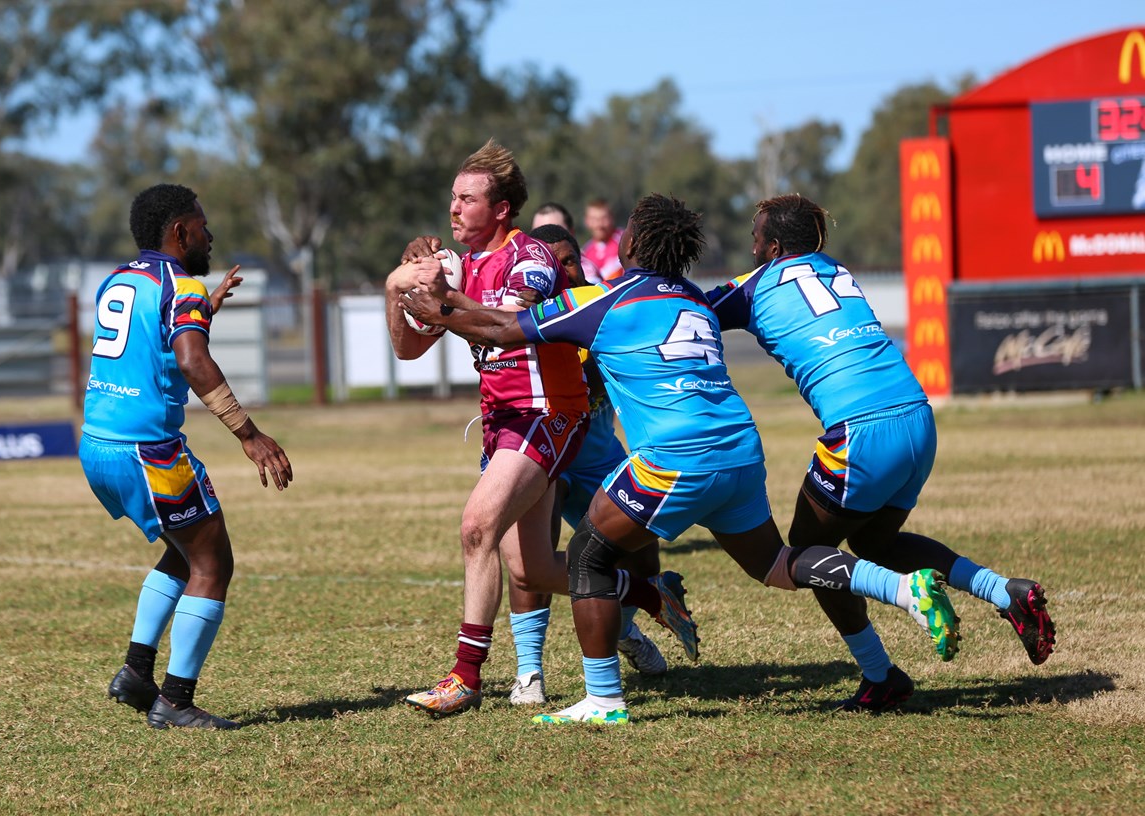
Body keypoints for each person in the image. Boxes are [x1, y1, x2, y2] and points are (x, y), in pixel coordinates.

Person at [402, 193, 960, 725]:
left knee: (589, 556)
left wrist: (439, 309)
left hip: (676, 457)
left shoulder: (606, 299)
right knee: (775, 564)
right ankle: (901, 588)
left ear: (634, 243)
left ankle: (602, 699)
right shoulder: (695, 297)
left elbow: (504, 329)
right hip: (740, 452)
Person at [706, 193, 1056, 710]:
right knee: (875, 542)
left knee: (807, 554)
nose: (752, 246)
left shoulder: (754, 285)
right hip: (917, 418)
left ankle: (880, 674)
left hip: (861, 433)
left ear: (774, 247)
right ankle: (1006, 592)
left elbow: (679, 311)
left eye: (757, 238)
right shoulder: (835, 269)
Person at [387, 142, 692, 716]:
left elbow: (513, 316)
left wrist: (444, 299)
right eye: (453, 197)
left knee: (476, 527)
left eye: (467, 199)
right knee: (531, 568)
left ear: (501, 209)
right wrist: (395, 287)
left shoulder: (530, 257)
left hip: (548, 413)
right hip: (502, 421)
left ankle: (465, 677)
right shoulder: (463, 265)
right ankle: (651, 594)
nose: (453, 209)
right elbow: (407, 350)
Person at [82, 183, 293, 730]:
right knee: (212, 563)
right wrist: (249, 434)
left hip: (98, 445)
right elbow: (193, 361)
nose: (209, 234)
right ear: (179, 231)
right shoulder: (182, 285)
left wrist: (207, 307)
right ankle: (175, 700)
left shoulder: (119, 279)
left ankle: (136, 673)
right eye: (201, 225)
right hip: (148, 452)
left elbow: (153, 341)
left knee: (184, 553)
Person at [506, 224, 667, 699]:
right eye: (551, 263)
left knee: (644, 553)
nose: (563, 271)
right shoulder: (522, 316)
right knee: (532, 554)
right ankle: (529, 673)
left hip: (599, 456)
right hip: (545, 455)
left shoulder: (600, 306)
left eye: (570, 260)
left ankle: (624, 630)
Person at [531, 202, 602, 284]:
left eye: (555, 230)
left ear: (571, 233)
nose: (547, 238)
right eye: (539, 232)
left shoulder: (588, 272)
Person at [581, 198, 624, 281]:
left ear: (612, 218)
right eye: (594, 219)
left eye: (604, 218)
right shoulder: (586, 251)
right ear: (586, 221)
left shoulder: (624, 241)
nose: (599, 225)